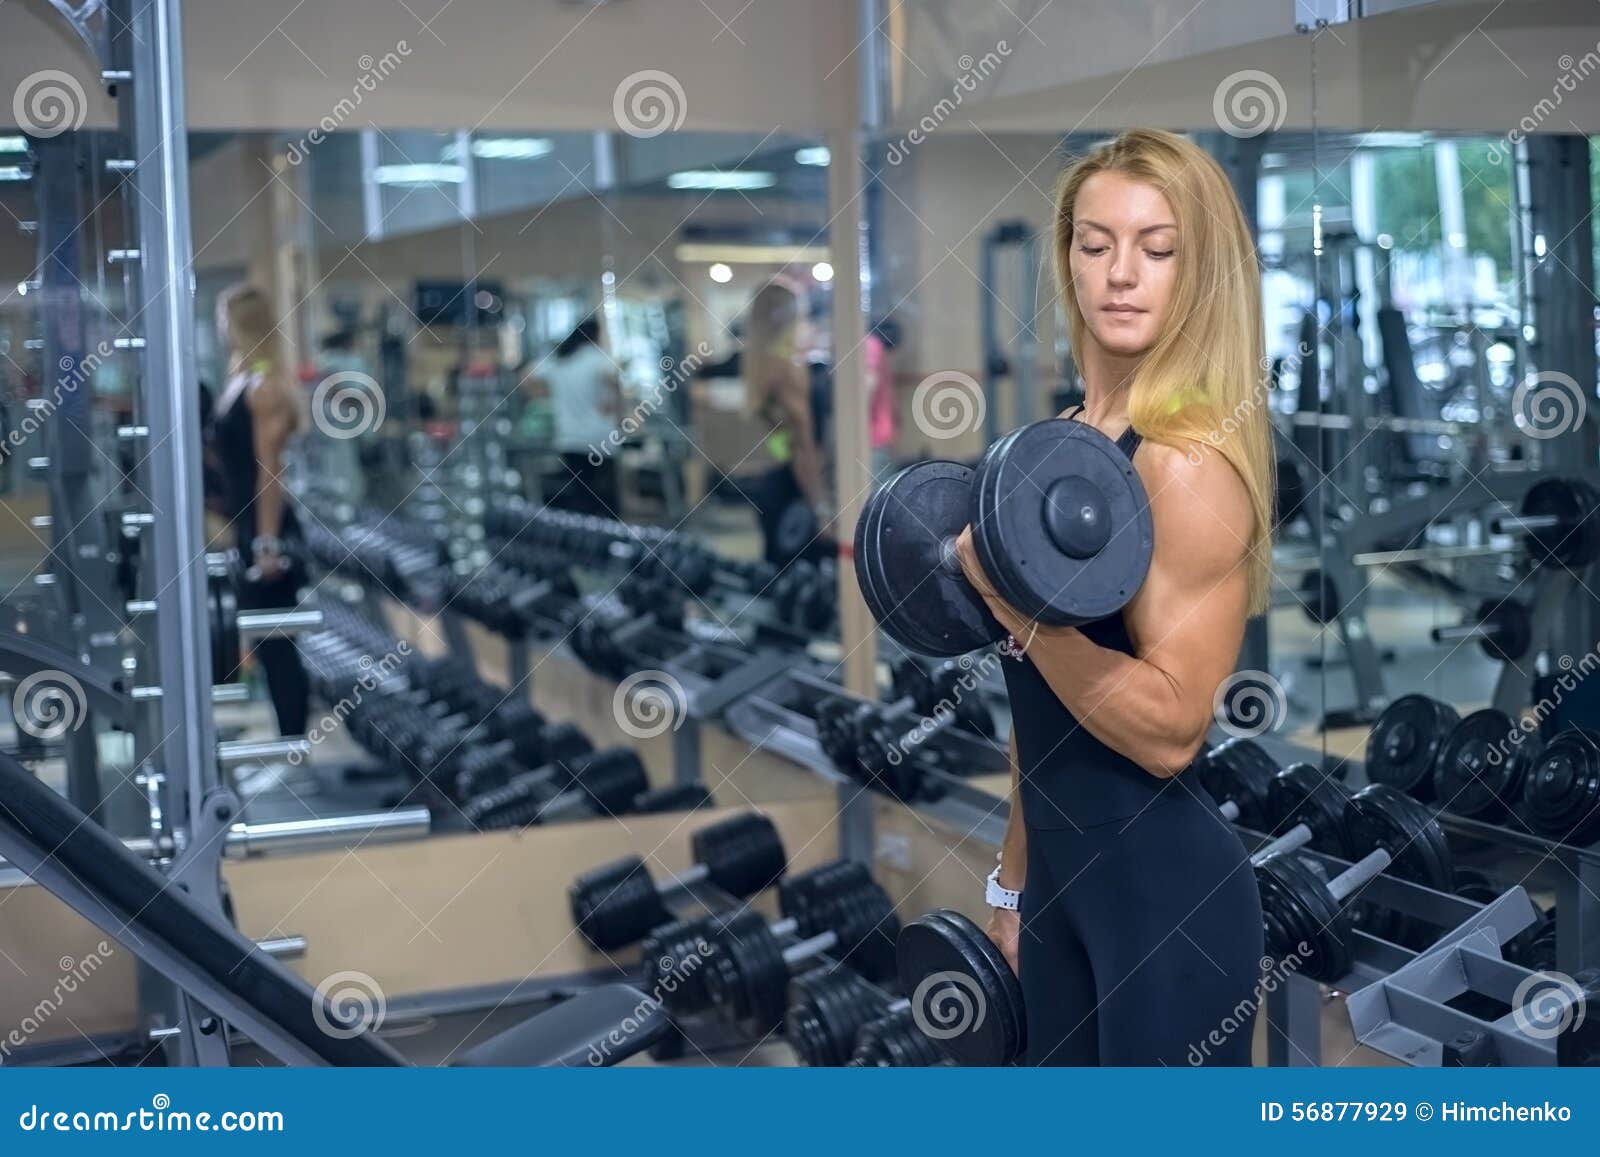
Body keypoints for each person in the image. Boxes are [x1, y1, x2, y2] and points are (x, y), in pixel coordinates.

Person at [954, 129, 1274, 1066]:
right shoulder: (1054, 447)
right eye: (1095, 245)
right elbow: (1037, 713)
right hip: (1060, 887)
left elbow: (1175, 727)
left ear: (1197, 270)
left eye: (1157, 248)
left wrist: (1017, 609)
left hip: (1167, 905)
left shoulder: (1184, 464)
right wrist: (1013, 885)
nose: (1121, 273)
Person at [208, 284, 310, 738]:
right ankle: (288, 737)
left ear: (240, 322)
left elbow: (271, 473)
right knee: (266, 643)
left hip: (266, 527)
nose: (219, 326)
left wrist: (266, 542)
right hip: (246, 524)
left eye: (223, 317)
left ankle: (295, 744)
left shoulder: (264, 386)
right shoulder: (239, 380)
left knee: (279, 642)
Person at [741, 279, 832, 567]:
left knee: (777, 574)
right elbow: (802, 447)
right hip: (795, 488)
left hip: (769, 484)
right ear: (786, 315)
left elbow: (780, 442)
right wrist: (820, 507)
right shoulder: (789, 370)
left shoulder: (759, 366)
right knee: (802, 584)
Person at [540, 315, 621, 517]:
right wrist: (615, 403)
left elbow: (526, 376)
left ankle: (583, 541)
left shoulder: (561, 360)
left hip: (569, 438)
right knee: (605, 500)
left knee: (580, 497)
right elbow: (614, 381)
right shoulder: (596, 358)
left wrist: (548, 395)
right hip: (598, 438)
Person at [866, 315, 900, 485]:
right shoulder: (875, 347)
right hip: (880, 439)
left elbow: (869, 386)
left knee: (873, 503)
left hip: (873, 440)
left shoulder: (871, 346)